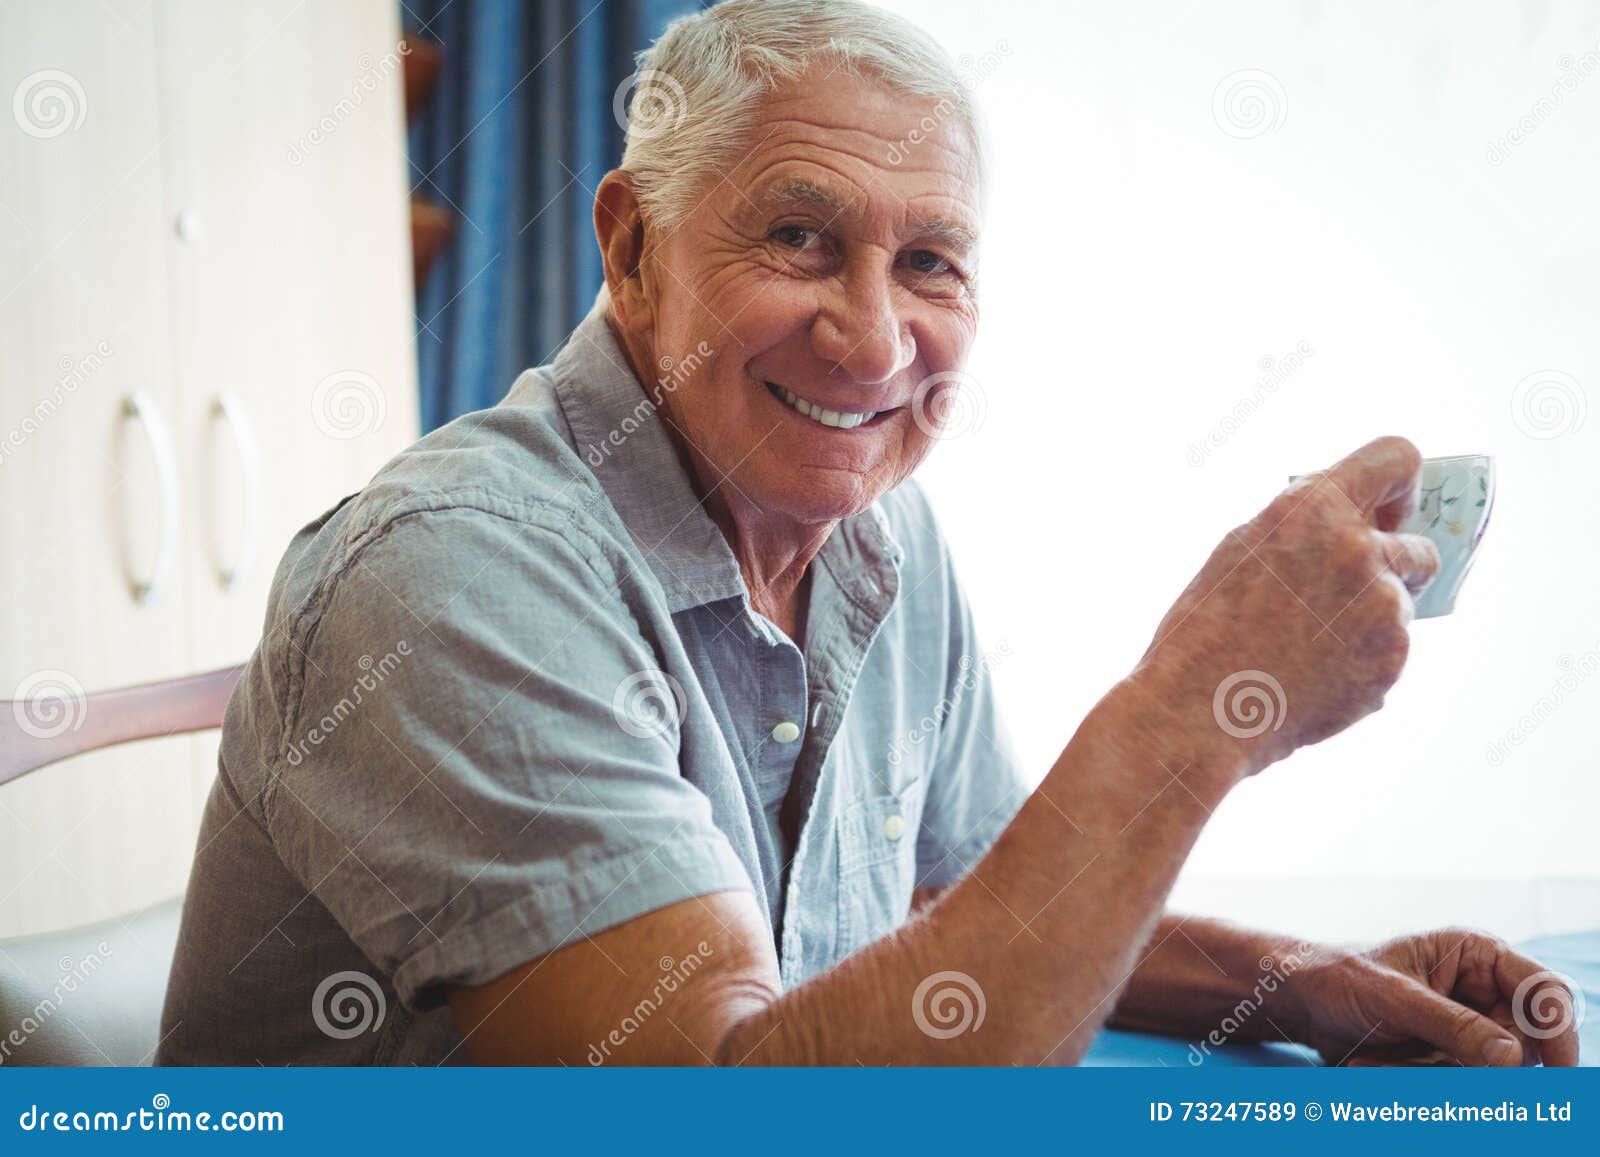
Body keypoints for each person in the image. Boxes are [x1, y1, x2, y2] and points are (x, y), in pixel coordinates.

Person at [158, 0, 1577, 1066]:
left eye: (930, 263)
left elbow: (963, 903)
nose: (875, 337)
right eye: (799, 239)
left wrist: (1306, 984)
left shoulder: (885, 540)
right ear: (634, 247)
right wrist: (1199, 708)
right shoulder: (449, 573)